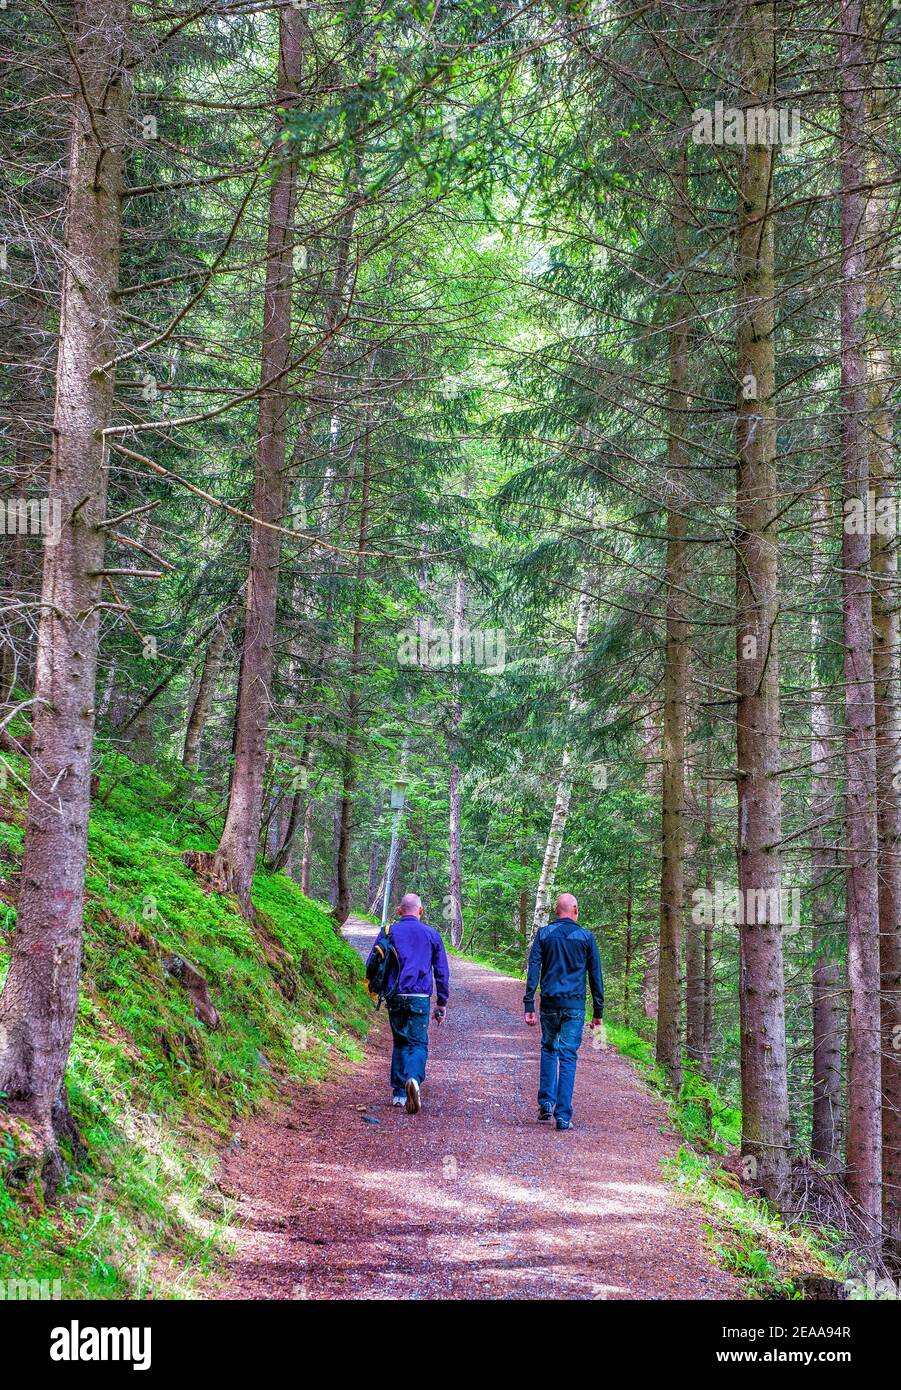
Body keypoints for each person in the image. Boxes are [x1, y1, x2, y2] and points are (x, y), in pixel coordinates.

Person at [524, 892, 603, 1131]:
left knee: (549, 1049)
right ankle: (563, 1116)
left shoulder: (544, 934)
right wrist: (598, 1012)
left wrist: (529, 1004)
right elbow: (595, 976)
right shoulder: (586, 937)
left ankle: (546, 1103)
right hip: (574, 1005)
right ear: (575, 909)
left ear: (556, 911)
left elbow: (533, 969)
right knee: (568, 1056)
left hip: (549, 1003)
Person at [367, 893, 449, 1114]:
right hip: (420, 998)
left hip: (394, 995)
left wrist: (377, 989)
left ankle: (399, 1094)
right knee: (418, 1043)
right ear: (420, 911)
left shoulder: (389, 932)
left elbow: (372, 962)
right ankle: (413, 1078)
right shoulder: (432, 934)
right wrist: (441, 1002)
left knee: (400, 1041)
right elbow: (441, 971)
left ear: (400, 910)